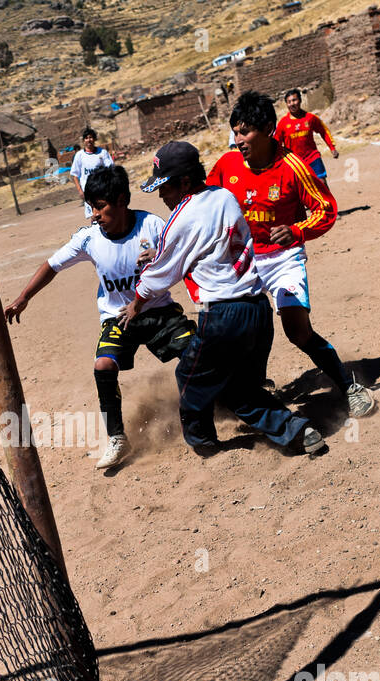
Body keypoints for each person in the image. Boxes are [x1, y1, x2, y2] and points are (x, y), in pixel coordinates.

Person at [122, 141, 323, 457]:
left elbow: (160, 274)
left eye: (165, 186)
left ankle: (202, 442)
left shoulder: (183, 216)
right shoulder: (224, 197)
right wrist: (162, 252)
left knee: (189, 375)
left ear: (185, 182)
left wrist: (136, 303)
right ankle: (299, 431)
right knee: (240, 388)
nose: (162, 195)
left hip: (223, 316)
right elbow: (199, 242)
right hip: (258, 310)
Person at [4, 165, 195, 470]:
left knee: (195, 351)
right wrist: (23, 297)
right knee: (103, 365)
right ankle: (118, 437)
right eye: (91, 206)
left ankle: (215, 401)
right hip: (118, 319)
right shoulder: (89, 238)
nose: (94, 214)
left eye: (100, 206)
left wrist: (160, 258)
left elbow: (184, 256)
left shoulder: (153, 226)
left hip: (159, 311)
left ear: (121, 201)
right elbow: (52, 265)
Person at [211, 92, 376, 421]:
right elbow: (203, 204)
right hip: (244, 262)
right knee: (244, 328)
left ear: (268, 129)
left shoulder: (292, 167)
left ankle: (349, 386)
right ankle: (253, 389)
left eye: (245, 132)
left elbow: (325, 209)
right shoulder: (226, 165)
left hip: (284, 258)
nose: (238, 139)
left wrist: (297, 229)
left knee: (296, 330)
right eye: (235, 132)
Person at [275, 89, 339, 180]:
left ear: (300, 100)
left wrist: (332, 148)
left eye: (294, 100)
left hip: (313, 158)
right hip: (295, 162)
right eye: (289, 102)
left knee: (322, 183)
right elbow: (276, 143)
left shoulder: (310, 118)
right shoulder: (283, 123)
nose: (292, 104)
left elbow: (323, 131)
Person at [69, 127, 114, 219]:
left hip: (102, 189)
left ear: (94, 139)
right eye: (86, 138)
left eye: (91, 137)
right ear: (84, 140)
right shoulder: (79, 155)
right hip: (88, 192)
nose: (89, 140)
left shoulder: (103, 153)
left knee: (106, 214)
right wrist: (80, 190)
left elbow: (110, 169)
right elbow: (75, 175)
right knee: (94, 217)